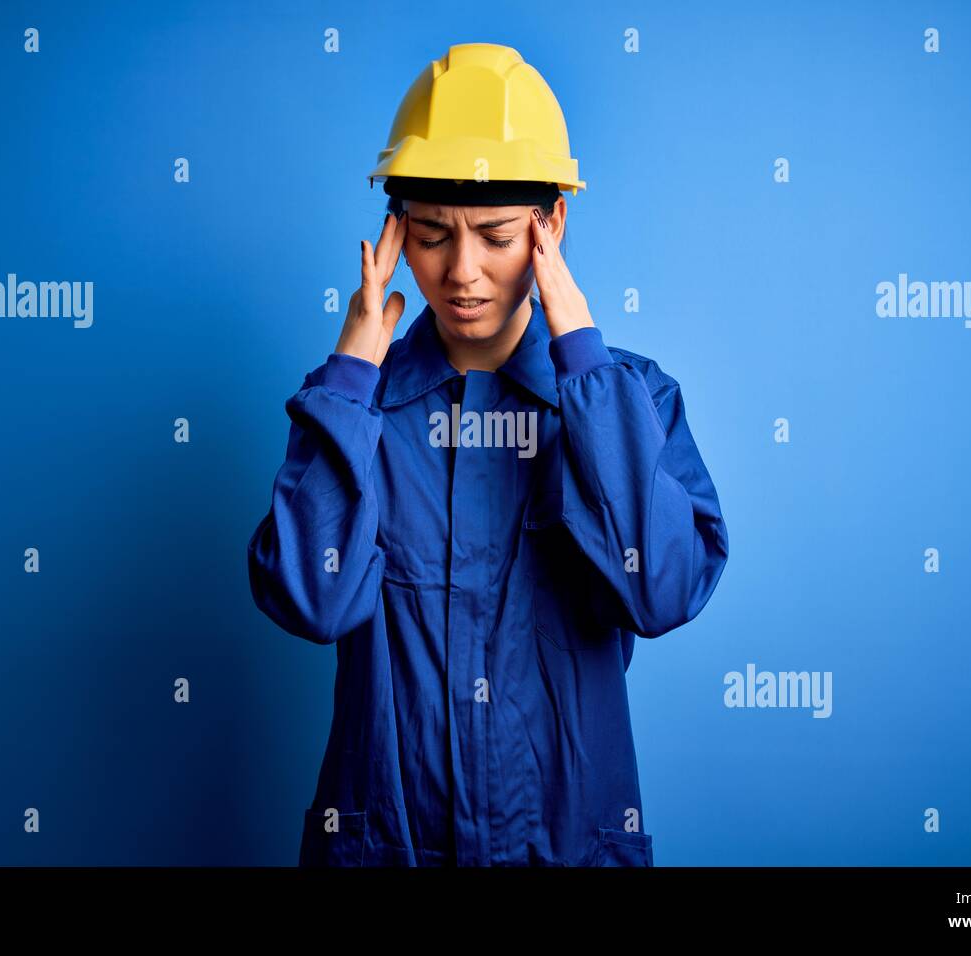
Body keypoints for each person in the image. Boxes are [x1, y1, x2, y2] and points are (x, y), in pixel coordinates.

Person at [248, 42, 729, 867]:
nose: (462, 273)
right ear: (396, 231)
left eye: (497, 236)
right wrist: (353, 372)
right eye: (432, 236)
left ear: (552, 225)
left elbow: (665, 591)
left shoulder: (633, 402)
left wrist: (583, 359)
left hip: (567, 848)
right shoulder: (354, 410)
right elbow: (310, 602)